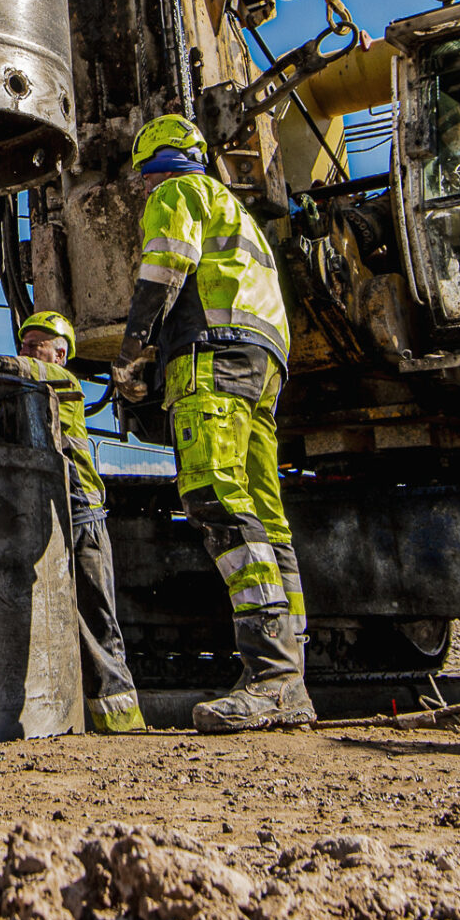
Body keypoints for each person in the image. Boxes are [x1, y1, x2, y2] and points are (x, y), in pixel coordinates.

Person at [114, 111, 312, 733]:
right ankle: (293, 680)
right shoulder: (237, 211)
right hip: (263, 365)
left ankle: (271, 677)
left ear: (150, 166)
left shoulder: (177, 193)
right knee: (265, 514)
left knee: (215, 498)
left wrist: (132, 350)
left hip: (214, 362)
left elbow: (165, 269)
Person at [0, 311, 146, 734]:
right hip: (45, 510)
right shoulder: (23, 392)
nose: (27, 349)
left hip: (82, 509)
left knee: (94, 615)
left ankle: (125, 723)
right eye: (25, 342)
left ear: (60, 353)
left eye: (37, 343)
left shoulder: (61, 381)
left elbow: (23, 369)